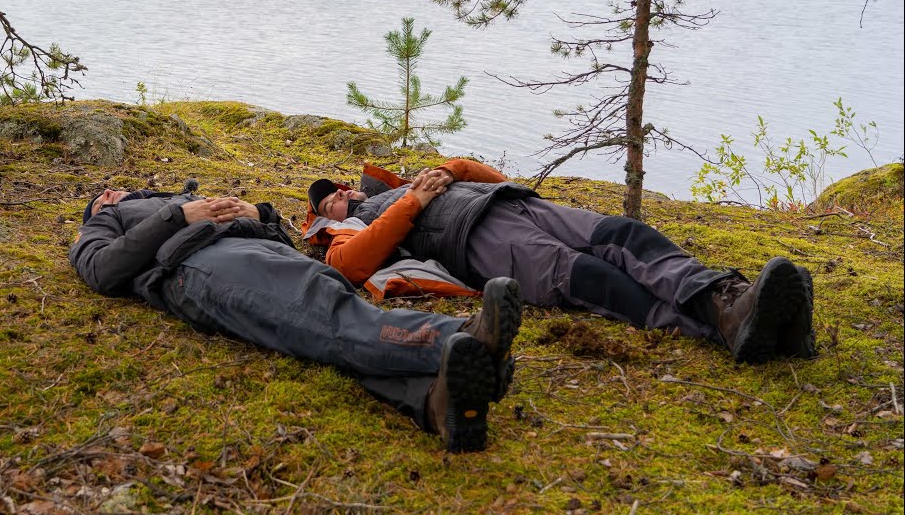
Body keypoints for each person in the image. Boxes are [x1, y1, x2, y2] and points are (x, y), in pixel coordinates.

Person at [69, 179, 525, 453]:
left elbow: (284, 241)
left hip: (255, 252)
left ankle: (434, 399)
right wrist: (175, 216)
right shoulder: (106, 224)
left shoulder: (183, 200)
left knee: (322, 322)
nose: (107, 193)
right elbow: (102, 271)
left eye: (113, 191)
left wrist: (260, 215)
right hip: (201, 266)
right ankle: (458, 339)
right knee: (327, 315)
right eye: (100, 197)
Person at [305, 160, 816, 364]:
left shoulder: (406, 180)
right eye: (329, 201)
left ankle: (727, 297)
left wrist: (445, 168)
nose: (341, 194)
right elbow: (353, 264)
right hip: (475, 246)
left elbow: (485, 172)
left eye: (341, 187)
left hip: (511, 203)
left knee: (624, 234)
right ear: (322, 219)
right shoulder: (345, 233)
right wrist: (412, 202)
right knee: (595, 279)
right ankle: (728, 326)